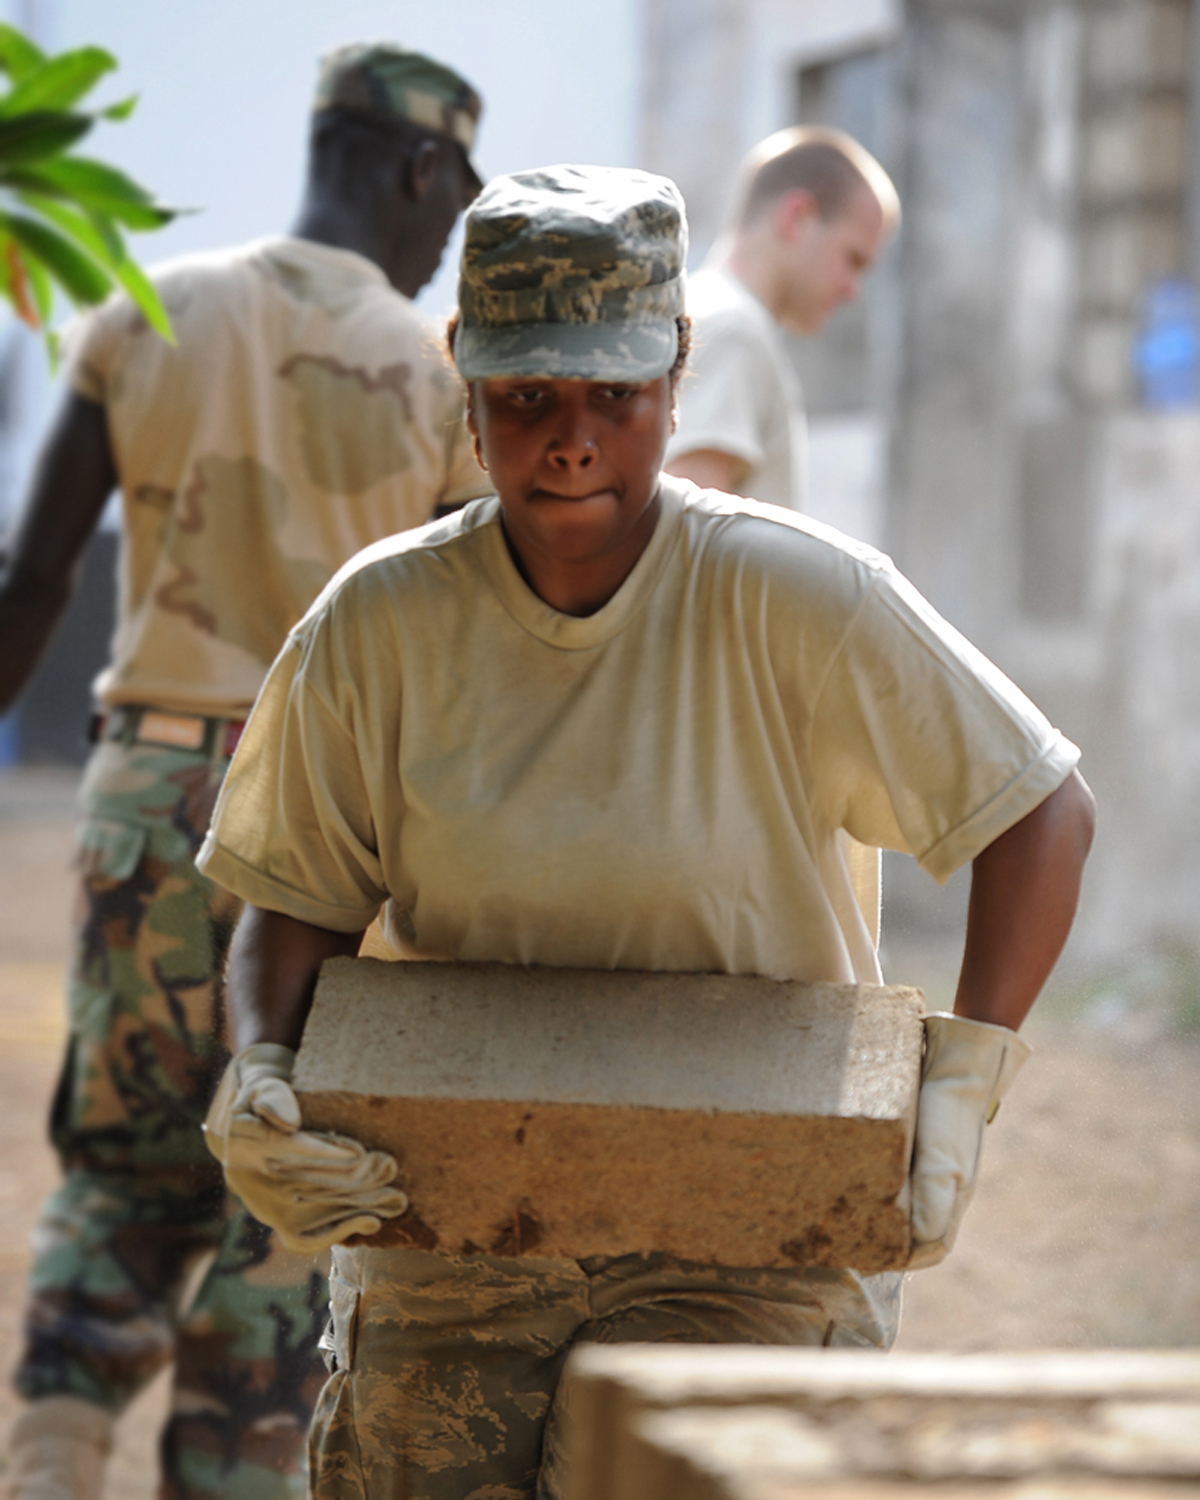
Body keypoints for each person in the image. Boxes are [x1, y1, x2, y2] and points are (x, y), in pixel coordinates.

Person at [195, 164, 1096, 1499]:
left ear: (678, 376)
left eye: (614, 396)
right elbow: (298, 895)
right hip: (455, 1227)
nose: (571, 442)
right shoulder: (378, 628)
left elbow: (1043, 813)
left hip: (751, 1230)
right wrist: (260, 1067)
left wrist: (966, 1076)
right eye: (527, 400)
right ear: (466, 384)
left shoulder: (800, 597)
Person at [0, 42, 488, 1500]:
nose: (447, 229)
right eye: (454, 197)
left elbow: (32, 582)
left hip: (142, 805)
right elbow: (464, 662)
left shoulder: (146, 310)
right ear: (419, 171)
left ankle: (48, 1459)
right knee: (276, 1215)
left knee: (118, 1174)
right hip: (319, 844)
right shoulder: (434, 375)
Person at [664, 125, 898, 511]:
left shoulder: (704, 312)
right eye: (853, 260)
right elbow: (687, 545)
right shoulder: (734, 330)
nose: (853, 290)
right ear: (799, 217)